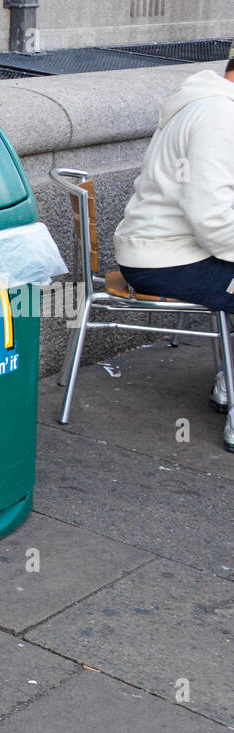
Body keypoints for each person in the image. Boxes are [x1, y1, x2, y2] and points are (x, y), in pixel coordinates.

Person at [114, 49, 234, 452]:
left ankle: (227, 384)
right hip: (167, 261)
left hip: (165, 252)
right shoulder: (219, 115)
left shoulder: (208, 105)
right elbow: (213, 218)